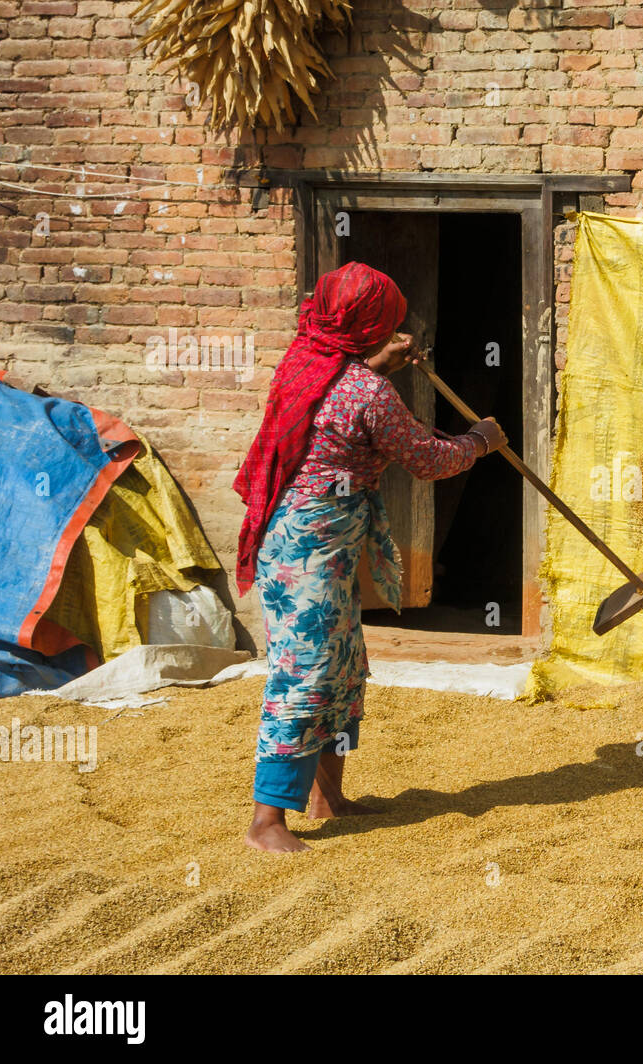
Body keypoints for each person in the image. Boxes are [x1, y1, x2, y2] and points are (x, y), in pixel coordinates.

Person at [233, 261, 505, 853]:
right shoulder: (369, 393)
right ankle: (267, 821)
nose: (397, 328)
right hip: (309, 549)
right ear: (369, 323)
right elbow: (428, 460)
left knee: (343, 662)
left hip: (308, 539)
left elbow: (343, 393)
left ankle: (329, 798)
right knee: (305, 671)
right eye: (387, 321)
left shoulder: (306, 359)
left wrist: (378, 361)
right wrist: (482, 441)